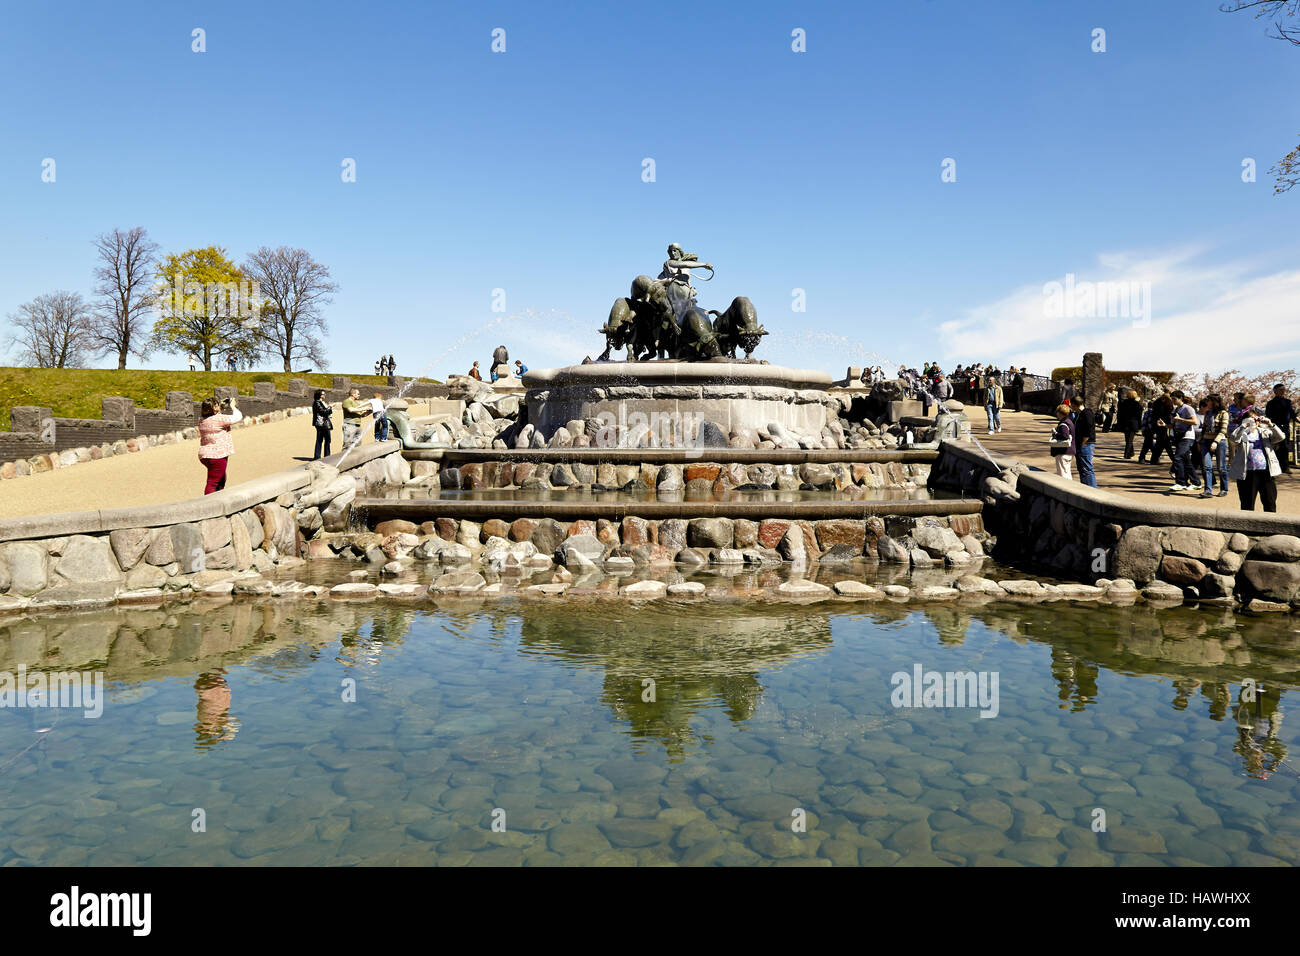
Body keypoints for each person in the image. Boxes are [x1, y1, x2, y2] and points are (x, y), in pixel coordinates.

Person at [1230, 409, 1286, 512]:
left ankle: (1270, 525)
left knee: (1270, 502)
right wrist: (1243, 426)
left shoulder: (1265, 432)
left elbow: (1281, 437)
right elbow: (1233, 439)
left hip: (1266, 472)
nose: (1253, 422)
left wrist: (1271, 424)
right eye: (1250, 420)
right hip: (1247, 473)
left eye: (1255, 419)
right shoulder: (1242, 433)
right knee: (1247, 504)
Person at [197, 397, 242, 495]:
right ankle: (208, 505)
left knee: (221, 478)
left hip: (205, 455)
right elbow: (238, 417)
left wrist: (219, 407)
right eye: (216, 405)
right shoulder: (219, 419)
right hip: (217, 456)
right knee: (213, 483)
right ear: (214, 409)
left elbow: (214, 418)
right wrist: (233, 406)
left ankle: (219, 498)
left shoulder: (201, 420)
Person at [1168, 390, 1199, 492]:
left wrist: (1180, 419)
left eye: (1174, 399)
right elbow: (1173, 424)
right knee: (1186, 461)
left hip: (1187, 436)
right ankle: (1196, 482)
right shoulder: (1176, 409)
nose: (1173, 401)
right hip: (1179, 436)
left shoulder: (1188, 408)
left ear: (1181, 398)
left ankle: (1181, 482)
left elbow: (1195, 421)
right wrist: (1165, 425)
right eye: (1172, 399)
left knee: (1177, 457)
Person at [1199, 393, 1230, 498]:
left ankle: (1224, 489)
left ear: (1214, 402)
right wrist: (1200, 440)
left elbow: (1223, 430)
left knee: (1221, 467)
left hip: (1219, 442)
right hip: (1206, 442)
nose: (1206, 402)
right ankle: (1208, 490)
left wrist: (1215, 442)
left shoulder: (1223, 413)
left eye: (1209, 400)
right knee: (1207, 466)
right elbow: (1204, 427)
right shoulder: (1208, 413)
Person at [1265, 384, 1294, 474]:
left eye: (1284, 389)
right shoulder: (1270, 403)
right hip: (1274, 427)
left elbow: (1292, 414)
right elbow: (1268, 415)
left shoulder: (1288, 402)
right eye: (1280, 389)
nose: (1283, 391)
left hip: (1285, 427)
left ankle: (1286, 467)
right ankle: (1275, 467)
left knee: (1285, 447)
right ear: (1275, 391)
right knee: (1275, 447)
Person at [1069, 395, 1097, 487]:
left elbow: (1088, 429)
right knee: (1081, 468)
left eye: (1071, 405)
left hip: (1086, 444)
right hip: (1080, 444)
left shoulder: (1086, 413)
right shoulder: (1078, 414)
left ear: (1074, 404)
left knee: (1087, 469)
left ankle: (1092, 489)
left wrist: (1084, 442)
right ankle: (1085, 487)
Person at [1050, 404, 1075, 480]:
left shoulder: (1063, 424)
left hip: (1063, 451)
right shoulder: (1069, 421)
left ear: (1060, 413)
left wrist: (1055, 433)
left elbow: (1065, 436)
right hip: (1069, 451)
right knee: (1066, 472)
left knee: (1063, 474)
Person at [1117, 388, 1144, 459]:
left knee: (1128, 439)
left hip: (1125, 423)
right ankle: (1127, 454)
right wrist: (1140, 425)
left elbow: (1120, 414)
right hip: (1133, 423)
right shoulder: (1137, 405)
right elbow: (1139, 416)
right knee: (1129, 440)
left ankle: (1131, 452)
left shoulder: (1124, 403)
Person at [312, 389, 333, 460]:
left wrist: (329, 408)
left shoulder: (322, 402)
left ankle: (326, 455)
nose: (325, 395)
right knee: (320, 439)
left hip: (324, 423)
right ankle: (317, 456)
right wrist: (330, 407)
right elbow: (323, 412)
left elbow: (327, 412)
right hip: (321, 423)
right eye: (323, 394)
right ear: (320, 395)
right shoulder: (317, 402)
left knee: (327, 439)